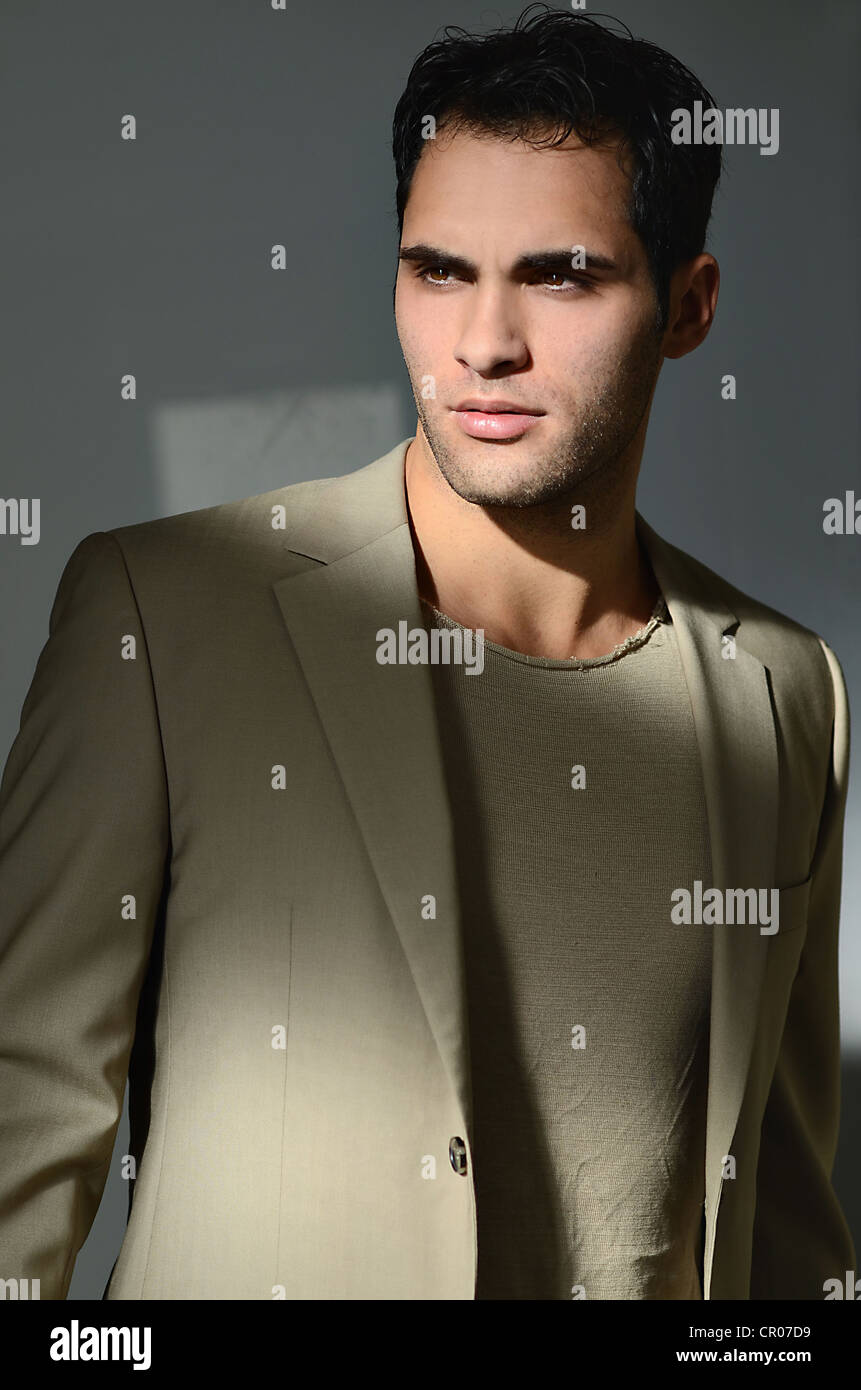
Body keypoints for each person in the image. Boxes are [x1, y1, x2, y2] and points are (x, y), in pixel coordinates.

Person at [0, 6, 854, 1300]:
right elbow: (24, 1128)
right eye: (439, 269)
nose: (481, 343)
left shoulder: (782, 689)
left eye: (561, 274)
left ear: (688, 305)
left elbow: (787, 1218)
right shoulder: (165, 613)